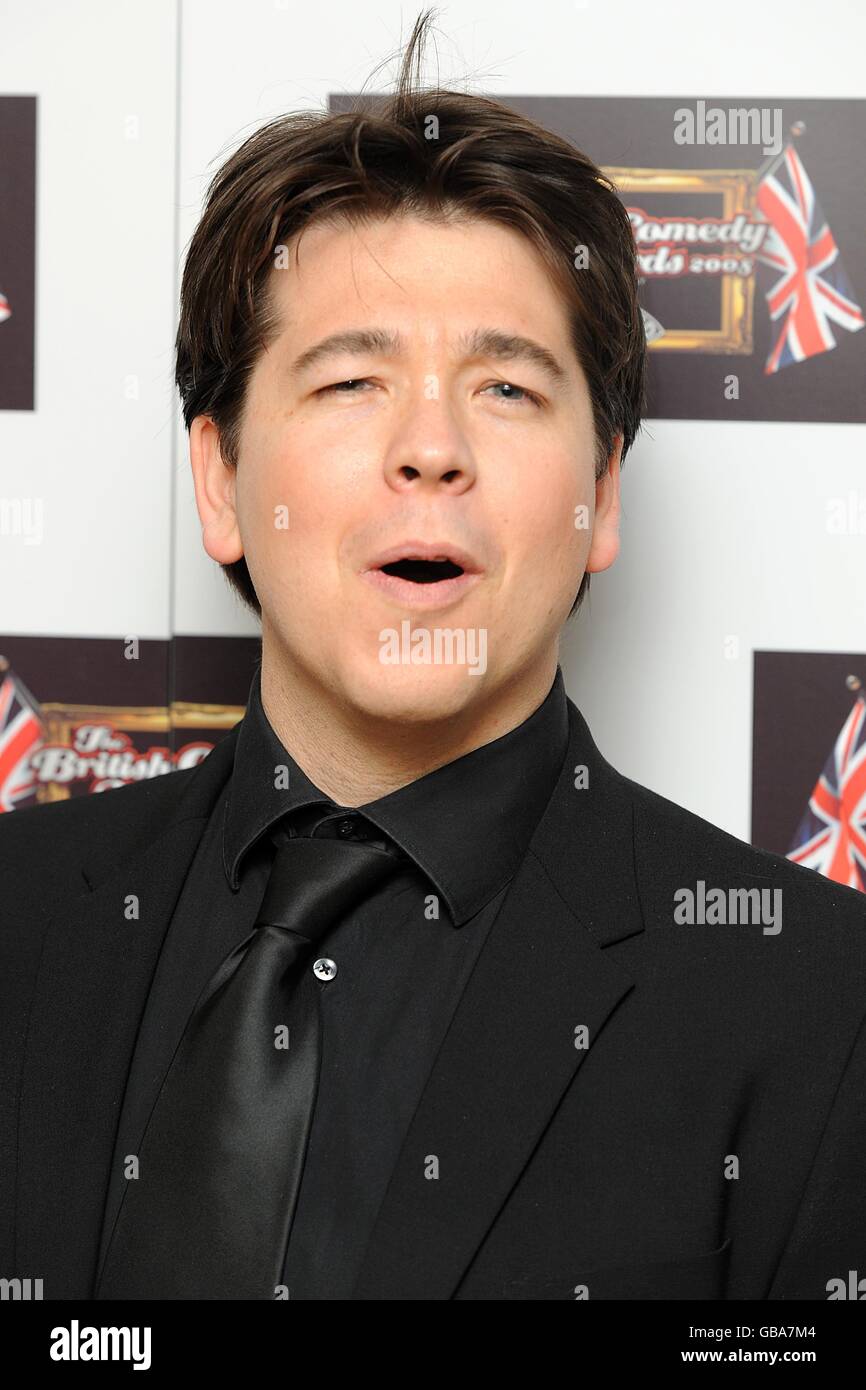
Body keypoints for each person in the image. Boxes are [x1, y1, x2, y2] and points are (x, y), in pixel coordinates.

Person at [2, 13, 865, 1302]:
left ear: (602, 492)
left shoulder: (820, 1007)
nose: (431, 449)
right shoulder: (19, 919)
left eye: (507, 389)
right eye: (351, 382)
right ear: (222, 477)